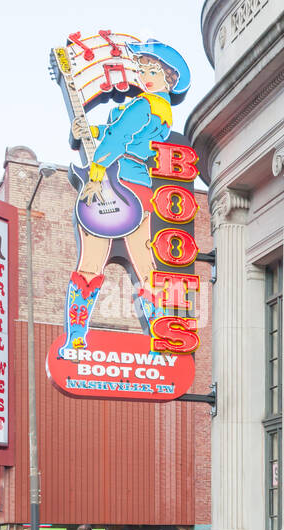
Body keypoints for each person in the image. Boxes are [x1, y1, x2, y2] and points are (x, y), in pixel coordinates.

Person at [63, 41, 192, 351]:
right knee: (147, 267)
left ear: (169, 79)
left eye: (153, 70)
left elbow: (118, 138)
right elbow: (117, 133)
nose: (145, 75)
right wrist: (85, 131)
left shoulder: (143, 105)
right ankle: (164, 338)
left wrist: (94, 174)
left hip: (112, 181)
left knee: (90, 264)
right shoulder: (157, 110)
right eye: (143, 68)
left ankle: (77, 337)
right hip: (142, 188)